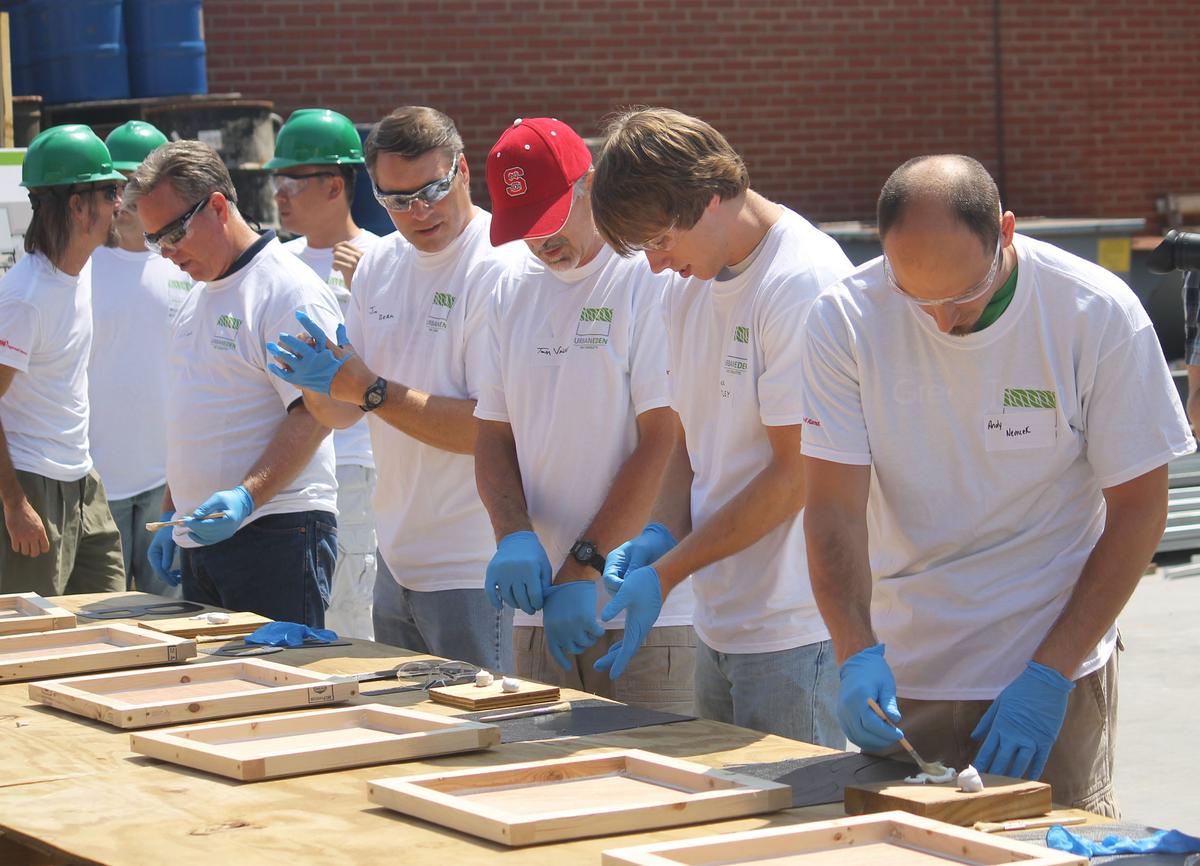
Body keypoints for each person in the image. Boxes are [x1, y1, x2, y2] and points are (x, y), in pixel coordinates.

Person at [799, 154, 1194, 815]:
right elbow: (833, 508)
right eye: (916, 298)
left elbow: (1139, 512)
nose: (941, 323)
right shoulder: (844, 320)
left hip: (1050, 669)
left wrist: (1048, 675)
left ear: (1005, 233)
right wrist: (855, 650)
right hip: (907, 673)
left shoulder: (1094, 314)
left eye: (960, 296)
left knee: (1060, 849)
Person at [588, 108, 852, 743]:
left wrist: (670, 570)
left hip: (799, 628)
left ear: (707, 200)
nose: (653, 265)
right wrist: (659, 531)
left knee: (798, 833)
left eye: (659, 241)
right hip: (723, 619)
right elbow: (687, 437)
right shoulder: (687, 285)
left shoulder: (802, 283)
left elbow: (797, 477)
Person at [267, 106, 526, 670]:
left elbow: (488, 432)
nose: (418, 212)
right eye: (397, 200)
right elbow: (342, 414)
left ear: (462, 171)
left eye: (431, 190)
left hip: (476, 565)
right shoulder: (380, 264)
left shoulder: (503, 266)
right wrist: (316, 387)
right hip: (397, 561)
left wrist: (371, 391)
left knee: (484, 744)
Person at [475, 117, 695, 712]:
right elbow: (493, 435)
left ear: (588, 186)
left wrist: (585, 566)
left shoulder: (645, 279)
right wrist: (513, 534)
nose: (540, 242)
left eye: (549, 221)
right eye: (524, 229)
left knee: (658, 795)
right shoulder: (506, 289)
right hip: (540, 609)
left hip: (642, 613)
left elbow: (663, 442)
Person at [123, 140, 341, 626]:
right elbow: (197, 412)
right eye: (155, 240)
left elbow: (316, 414)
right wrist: (174, 507)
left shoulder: (287, 291)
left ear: (218, 206)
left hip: (276, 532)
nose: (167, 253)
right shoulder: (199, 295)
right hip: (206, 534)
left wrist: (246, 496)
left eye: (174, 232)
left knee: (276, 697)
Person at [268, 108, 381, 638]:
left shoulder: (383, 261)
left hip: (355, 466)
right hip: (291, 474)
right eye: (276, 180)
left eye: (292, 180)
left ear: (335, 185)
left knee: (352, 620)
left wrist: (372, 291)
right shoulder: (274, 264)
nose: (279, 193)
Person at [0, 124, 126, 595]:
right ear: (77, 205)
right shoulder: (24, 299)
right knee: (32, 643)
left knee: (113, 612)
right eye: (110, 191)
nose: (119, 204)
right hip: (30, 487)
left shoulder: (84, 267)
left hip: (82, 480)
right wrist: (14, 505)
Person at [88, 120, 193, 597]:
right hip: (95, 482)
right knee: (100, 620)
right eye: (116, 185)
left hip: (168, 481)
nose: (123, 200)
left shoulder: (187, 267)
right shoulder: (81, 266)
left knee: (171, 625)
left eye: (135, 185)